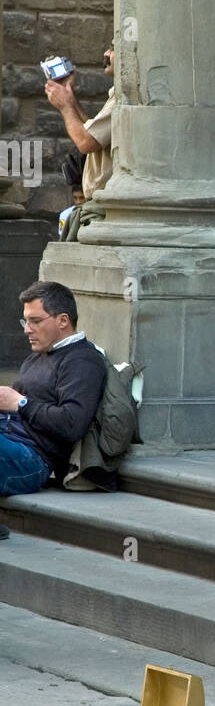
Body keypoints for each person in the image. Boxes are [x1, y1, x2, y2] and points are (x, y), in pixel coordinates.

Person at [0, 283, 107, 524]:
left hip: (31, 458)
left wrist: (20, 403)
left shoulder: (83, 361)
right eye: (25, 322)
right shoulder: (37, 356)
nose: (27, 330)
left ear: (62, 320)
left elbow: (72, 424)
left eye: (35, 321)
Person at [44, 45, 115, 241]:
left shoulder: (123, 99)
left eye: (113, 49)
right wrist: (69, 95)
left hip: (103, 209)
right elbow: (92, 131)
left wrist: (66, 106)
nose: (106, 54)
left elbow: (86, 142)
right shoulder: (117, 97)